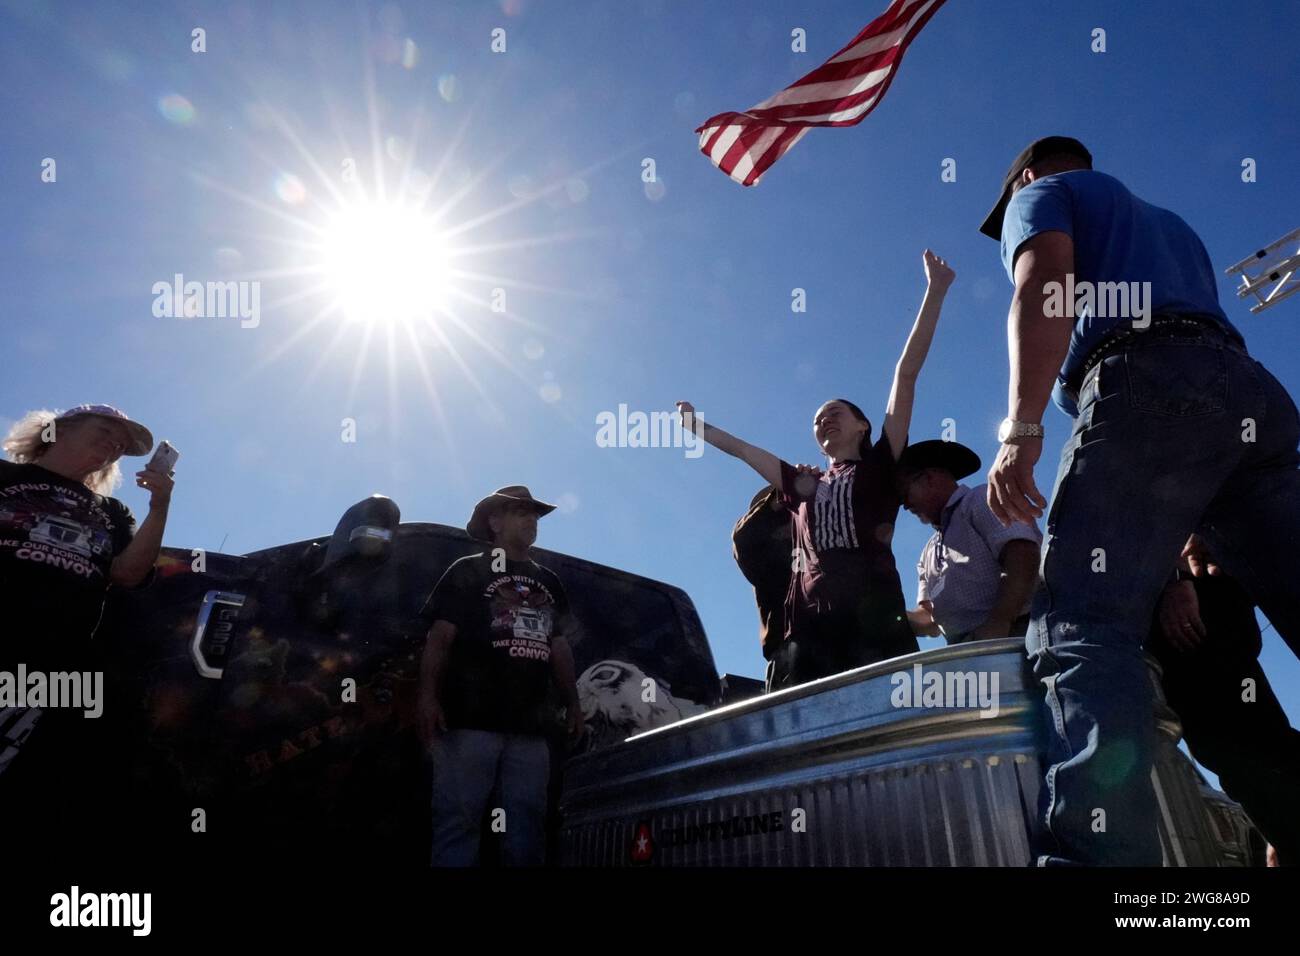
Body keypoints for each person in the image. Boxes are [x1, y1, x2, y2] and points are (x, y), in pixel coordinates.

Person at [980, 135, 1300, 865]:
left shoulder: (1043, 196)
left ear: (1026, 178)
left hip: (1145, 382)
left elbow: (1046, 289)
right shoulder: (1171, 225)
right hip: (1247, 390)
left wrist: (1021, 428)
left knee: (1081, 622)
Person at [679, 249, 954, 689]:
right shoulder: (802, 482)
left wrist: (935, 292)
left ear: (863, 425)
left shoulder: (882, 466)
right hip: (811, 633)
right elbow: (746, 451)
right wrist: (698, 427)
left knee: (882, 727)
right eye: (816, 418)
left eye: (835, 411)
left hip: (877, 621)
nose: (824, 418)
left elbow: (906, 375)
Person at [0, 404, 172, 856]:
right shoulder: (5, 478)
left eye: (120, 446)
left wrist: (159, 505)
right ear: (57, 430)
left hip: (59, 664)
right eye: (105, 433)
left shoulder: (111, 511)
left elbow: (130, 572)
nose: (114, 447)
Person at [415, 485, 583, 866]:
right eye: (520, 512)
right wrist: (427, 698)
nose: (531, 521)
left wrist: (573, 702)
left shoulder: (549, 581)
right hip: (470, 722)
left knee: (526, 829)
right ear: (494, 522)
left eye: (534, 515)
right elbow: (440, 637)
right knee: (458, 823)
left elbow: (559, 646)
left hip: (531, 728)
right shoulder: (467, 569)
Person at [1151, 534, 1300, 866]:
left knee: (1236, 742)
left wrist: (1174, 581)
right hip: (1207, 590)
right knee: (1250, 743)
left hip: (1194, 597)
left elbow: (1157, 504)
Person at [896, 440, 1040, 644]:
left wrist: (1001, 620)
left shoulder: (981, 499)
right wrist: (892, 618)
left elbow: (1022, 552)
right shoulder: (928, 552)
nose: (905, 505)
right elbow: (929, 618)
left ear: (928, 478)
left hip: (1018, 634)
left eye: (905, 493)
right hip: (969, 649)